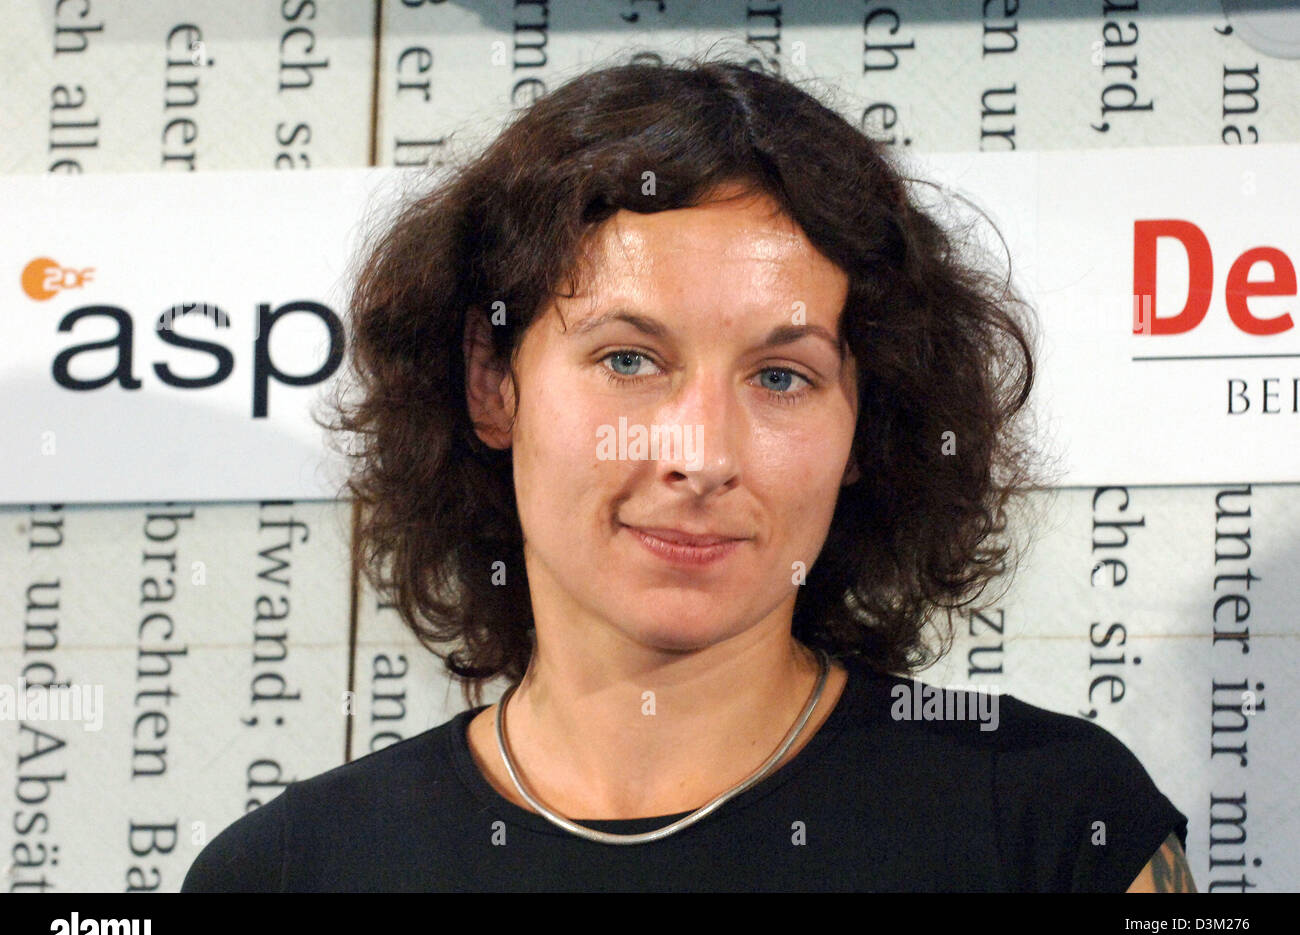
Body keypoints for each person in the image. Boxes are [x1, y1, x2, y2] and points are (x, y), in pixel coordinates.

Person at [182, 56, 1192, 892]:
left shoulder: (1060, 824)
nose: (702, 454)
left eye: (783, 376)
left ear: (863, 429)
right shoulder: (284, 874)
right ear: (491, 382)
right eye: (629, 359)